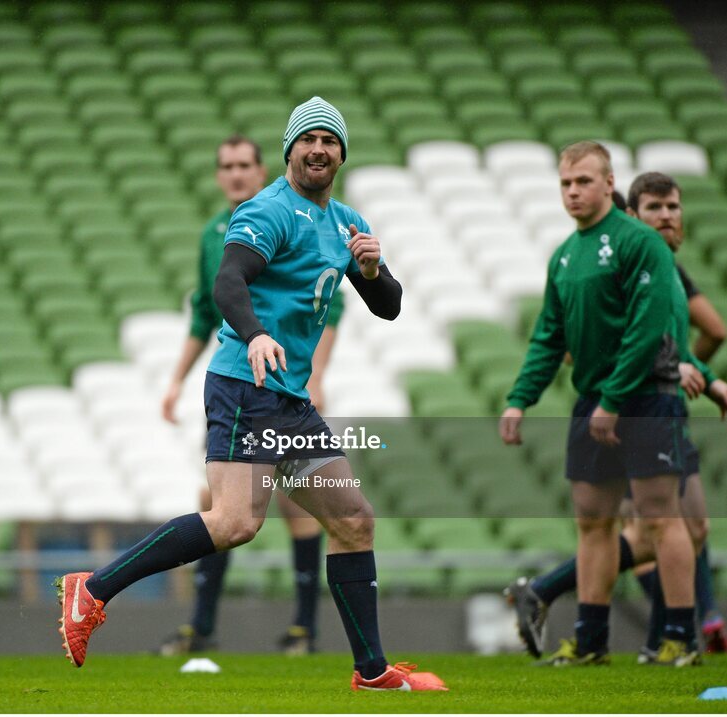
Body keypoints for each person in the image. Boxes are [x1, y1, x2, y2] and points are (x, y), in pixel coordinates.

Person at [56, 97, 447, 691]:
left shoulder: (344, 220)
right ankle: (93, 589)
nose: (319, 148)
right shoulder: (267, 210)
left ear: (342, 153)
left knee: (354, 521)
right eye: (307, 139)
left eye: (330, 140)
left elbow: (388, 308)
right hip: (246, 383)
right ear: (289, 150)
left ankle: (371, 673)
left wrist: (371, 271)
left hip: (289, 397)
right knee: (236, 522)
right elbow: (227, 281)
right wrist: (257, 334)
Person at [498, 141, 727, 668]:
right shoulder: (564, 256)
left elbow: (650, 327)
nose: (573, 192)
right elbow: (548, 337)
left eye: (583, 181)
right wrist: (519, 399)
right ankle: (590, 640)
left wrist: (614, 398)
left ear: (609, 183)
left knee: (662, 519)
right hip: (593, 403)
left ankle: (679, 637)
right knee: (592, 523)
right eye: (565, 184)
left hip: (646, 399)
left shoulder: (641, 244)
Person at [157, 135, 344, 656]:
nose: (236, 174)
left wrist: (319, 375)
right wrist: (175, 380)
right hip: (239, 379)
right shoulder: (213, 234)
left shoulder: (290, 216)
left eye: (245, 165)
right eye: (227, 167)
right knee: (221, 506)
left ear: (264, 169)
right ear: (218, 175)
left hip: (286, 382)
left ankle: (304, 628)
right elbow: (205, 311)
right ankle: (200, 626)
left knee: (295, 502)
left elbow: (332, 304)